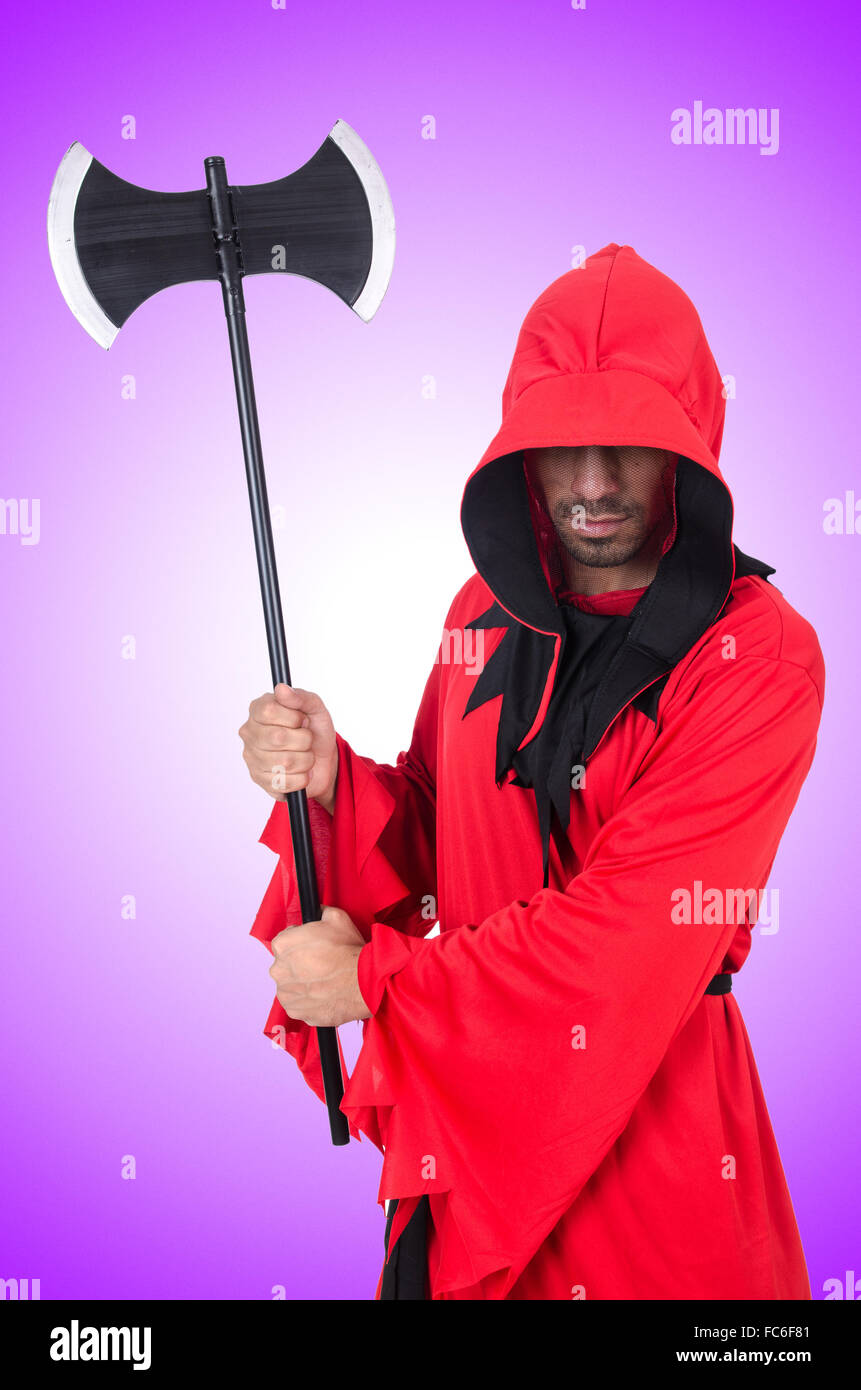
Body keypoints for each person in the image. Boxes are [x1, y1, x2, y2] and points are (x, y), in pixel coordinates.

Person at [239, 243, 824, 1300]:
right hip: (466, 1151)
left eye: (628, 445)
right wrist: (332, 780)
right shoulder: (481, 614)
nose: (593, 484)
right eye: (563, 444)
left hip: (657, 1154)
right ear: (521, 451)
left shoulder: (761, 657)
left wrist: (378, 983)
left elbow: (629, 938)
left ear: (687, 449)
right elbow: (429, 830)